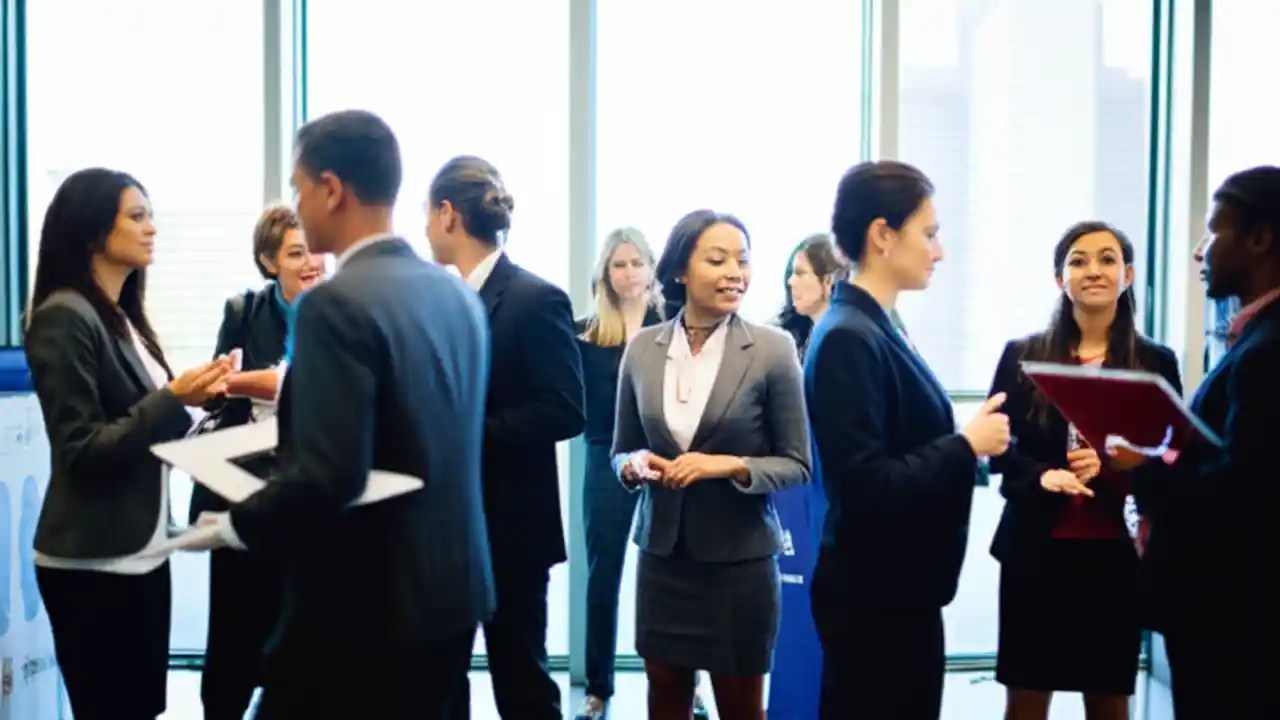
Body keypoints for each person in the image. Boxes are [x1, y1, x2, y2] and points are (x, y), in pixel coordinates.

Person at [204, 110, 495, 718]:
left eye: (299, 187)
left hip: (361, 615)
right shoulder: (456, 296)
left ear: (331, 189)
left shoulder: (333, 305)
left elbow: (327, 475)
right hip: (454, 598)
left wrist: (232, 524)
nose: (300, 204)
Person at [23, 168, 232, 719]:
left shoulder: (121, 318)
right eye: (136, 216)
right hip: (92, 562)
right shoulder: (64, 317)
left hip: (140, 553)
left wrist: (202, 399)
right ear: (94, 232)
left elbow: (145, 426)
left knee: (141, 710)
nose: (152, 228)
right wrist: (173, 398)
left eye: (151, 215)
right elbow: (82, 448)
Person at [806, 160, 1010, 719]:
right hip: (875, 597)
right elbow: (867, 485)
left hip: (897, 591)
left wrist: (979, 448)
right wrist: (966, 446)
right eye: (929, 233)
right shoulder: (850, 335)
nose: (938, 252)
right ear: (881, 235)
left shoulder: (877, 323)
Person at [612, 209, 812, 720]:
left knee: (741, 707)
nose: (735, 273)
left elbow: (795, 464)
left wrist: (725, 465)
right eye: (718, 259)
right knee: (665, 697)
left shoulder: (772, 349)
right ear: (681, 269)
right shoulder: (641, 350)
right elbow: (621, 450)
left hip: (739, 564)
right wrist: (634, 464)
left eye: (743, 262)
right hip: (663, 556)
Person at [986, 221, 1180, 720]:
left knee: (1108, 698)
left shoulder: (1155, 362)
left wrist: (1123, 466)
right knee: (1026, 698)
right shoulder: (1022, 356)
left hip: (1113, 558)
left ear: (1129, 274)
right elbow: (999, 449)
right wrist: (1039, 476)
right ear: (1060, 280)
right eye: (1078, 260)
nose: (1093, 270)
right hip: (1035, 551)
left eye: (1107, 259)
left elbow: (1174, 456)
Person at [424, 155, 585, 719]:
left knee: (521, 680)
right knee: (439, 683)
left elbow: (565, 410)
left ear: (447, 214)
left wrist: (464, 433)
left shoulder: (535, 299)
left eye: (427, 214)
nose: (423, 229)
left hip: (512, 527)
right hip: (444, 528)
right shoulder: (438, 300)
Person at [1131, 166, 1280, 719]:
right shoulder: (1252, 340)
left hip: (1233, 615)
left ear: (1259, 240)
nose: (1200, 252)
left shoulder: (1267, 351)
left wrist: (1146, 466)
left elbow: (1243, 485)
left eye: (1214, 232)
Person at [189, 204, 324, 720]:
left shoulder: (341, 311)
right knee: (233, 635)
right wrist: (275, 382)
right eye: (295, 252)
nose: (311, 261)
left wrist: (269, 382)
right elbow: (223, 387)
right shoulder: (244, 312)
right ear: (269, 263)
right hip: (244, 493)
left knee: (302, 640)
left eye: (313, 249)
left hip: (311, 500)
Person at [573, 228, 665, 720]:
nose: (628, 273)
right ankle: (598, 688)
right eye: (618, 265)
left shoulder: (672, 328)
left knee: (671, 573)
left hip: (664, 461)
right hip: (603, 457)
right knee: (602, 573)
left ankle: (680, 683)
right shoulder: (584, 333)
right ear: (605, 275)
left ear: (651, 269)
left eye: (636, 263)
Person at [768, 233, 848, 720]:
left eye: (800, 272)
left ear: (829, 278)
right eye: (791, 273)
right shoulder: (786, 342)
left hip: (829, 494)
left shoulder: (845, 339)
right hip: (790, 494)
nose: (791, 282)